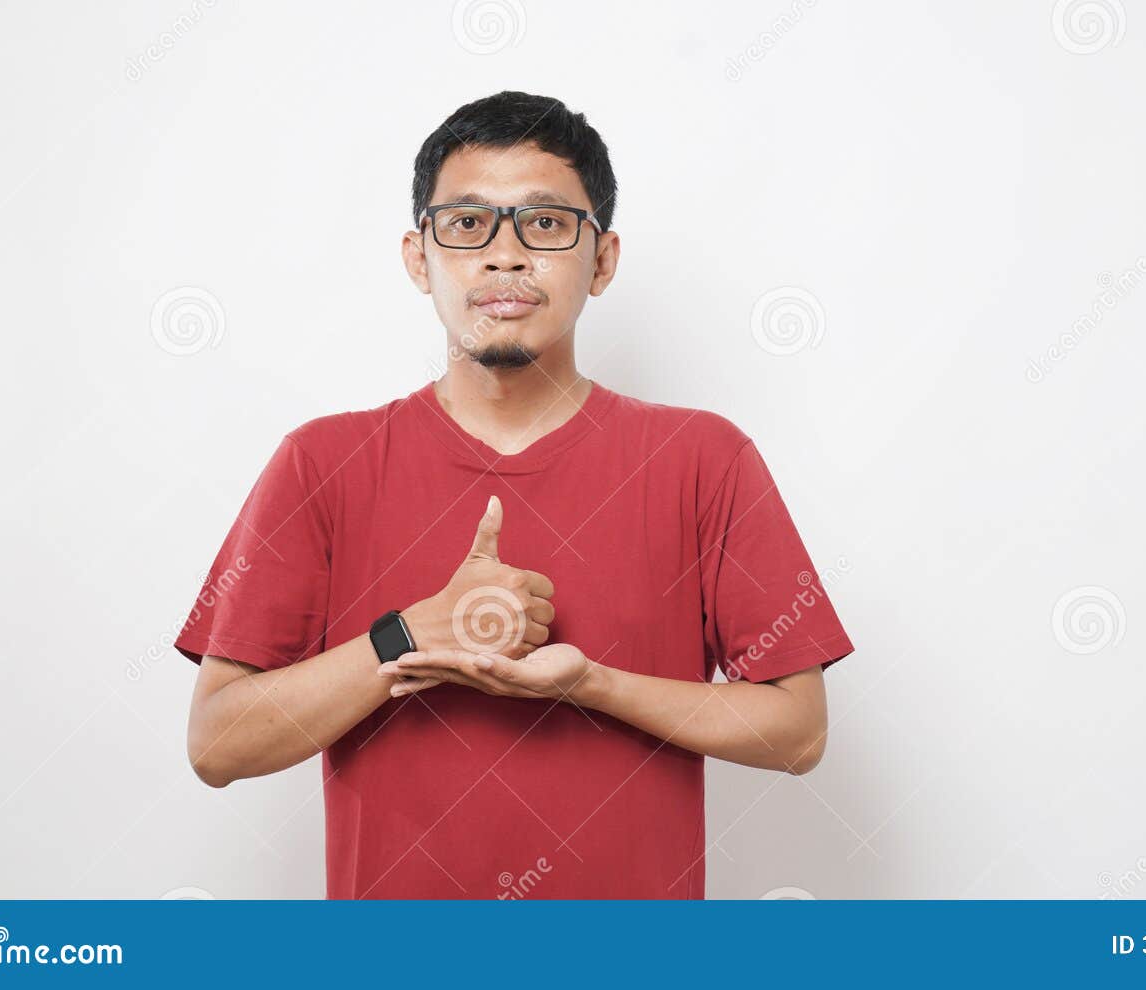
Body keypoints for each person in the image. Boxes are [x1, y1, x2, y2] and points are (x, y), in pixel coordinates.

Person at [175, 90, 854, 899]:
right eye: (467, 223)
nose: (504, 256)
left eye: (545, 224)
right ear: (417, 256)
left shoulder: (702, 458)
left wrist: (591, 685)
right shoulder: (322, 462)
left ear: (601, 260)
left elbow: (797, 731)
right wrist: (406, 637)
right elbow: (218, 744)